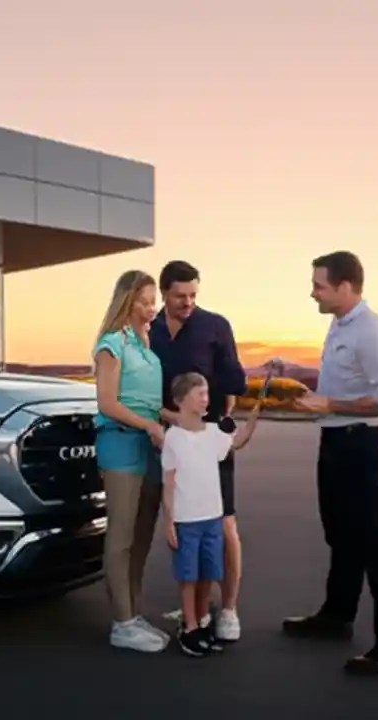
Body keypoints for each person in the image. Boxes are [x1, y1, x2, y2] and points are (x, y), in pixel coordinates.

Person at [286, 250, 378, 675]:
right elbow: (338, 382)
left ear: (344, 286)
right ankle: (336, 615)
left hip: (362, 445)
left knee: (372, 541)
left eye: (318, 286)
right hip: (336, 441)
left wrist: (330, 405)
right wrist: (295, 372)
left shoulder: (373, 332)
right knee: (340, 533)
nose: (312, 293)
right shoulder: (340, 325)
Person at [149, 260, 248, 642]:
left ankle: (229, 609)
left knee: (224, 524)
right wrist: (168, 421)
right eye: (180, 296)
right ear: (164, 294)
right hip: (169, 442)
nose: (187, 302)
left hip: (208, 440)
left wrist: (218, 426)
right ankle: (196, 608)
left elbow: (232, 384)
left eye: (193, 295)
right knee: (185, 526)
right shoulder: (150, 330)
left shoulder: (215, 326)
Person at [92, 269, 172, 653]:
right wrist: (149, 425)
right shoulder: (112, 344)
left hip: (147, 448)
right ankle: (121, 624)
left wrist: (175, 420)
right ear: (127, 300)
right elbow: (108, 403)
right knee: (121, 539)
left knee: (141, 539)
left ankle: (134, 613)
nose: (151, 308)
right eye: (144, 301)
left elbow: (148, 403)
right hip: (121, 446)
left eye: (153, 301)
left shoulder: (145, 344)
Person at [162, 372, 261, 657]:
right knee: (188, 577)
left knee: (208, 573)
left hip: (212, 519)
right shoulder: (173, 438)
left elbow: (236, 442)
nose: (206, 399)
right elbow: (169, 482)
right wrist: (169, 521)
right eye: (200, 394)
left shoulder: (214, 433)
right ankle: (190, 628)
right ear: (181, 400)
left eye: (207, 393)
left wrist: (252, 421)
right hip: (186, 521)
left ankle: (202, 623)